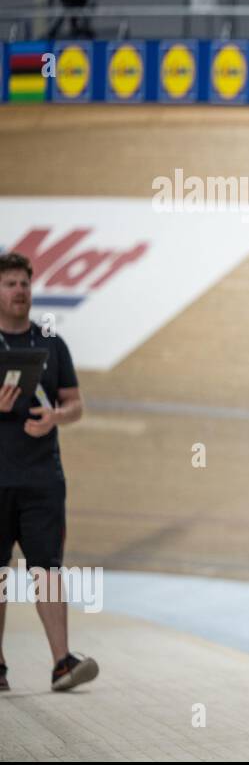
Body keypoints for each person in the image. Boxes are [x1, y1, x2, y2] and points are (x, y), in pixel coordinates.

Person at [0, 251, 97, 692]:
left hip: (42, 481)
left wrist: (57, 418)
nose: (20, 291)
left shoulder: (52, 342)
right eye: (10, 284)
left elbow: (76, 403)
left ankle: (62, 663)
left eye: (24, 283)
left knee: (48, 570)